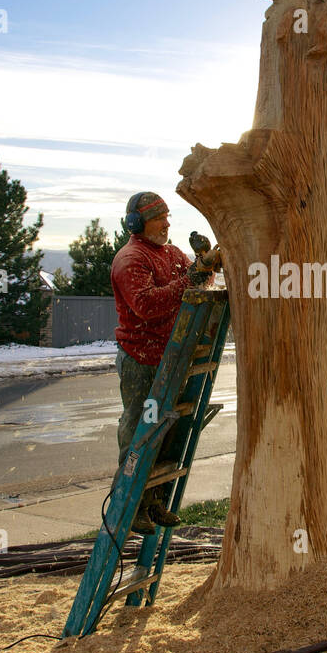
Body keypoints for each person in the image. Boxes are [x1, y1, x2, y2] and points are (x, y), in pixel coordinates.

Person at [111, 192, 190, 535]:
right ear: (138, 223)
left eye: (167, 216)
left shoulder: (172, 254)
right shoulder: (131, 258)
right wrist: (189, 283)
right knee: (139, 430)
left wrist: (205, 268)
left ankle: (154, 499)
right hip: (140, 359)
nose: (167, 223)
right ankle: (128, 503)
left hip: (169, 356)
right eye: (160, 218)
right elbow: (145, 304)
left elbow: (194, 280)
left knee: (167, 429)